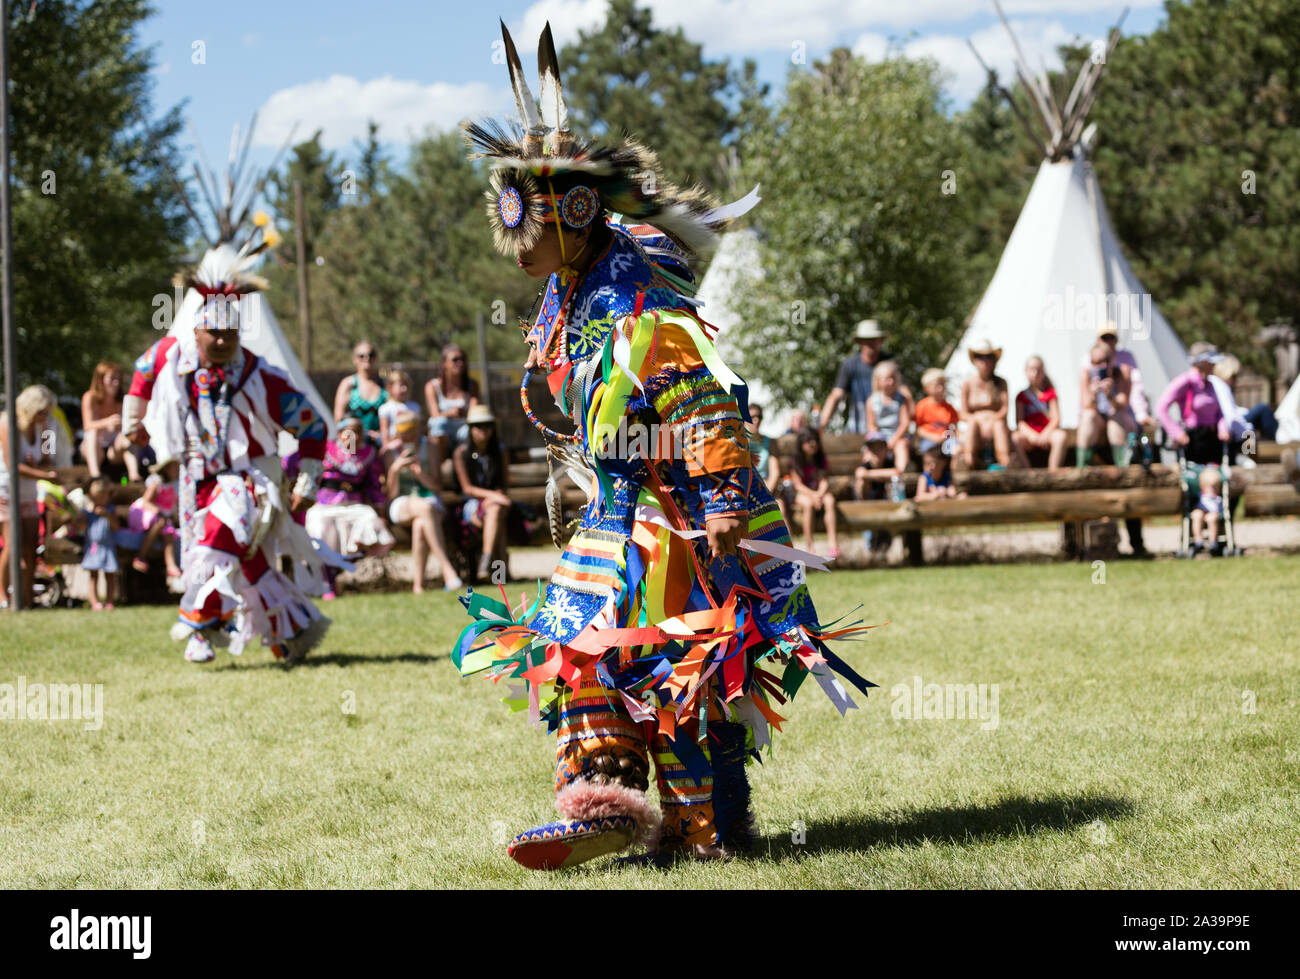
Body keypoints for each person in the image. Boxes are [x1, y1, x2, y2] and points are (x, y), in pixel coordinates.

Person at [453, 21, 874, 871]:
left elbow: (700, 395)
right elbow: (578, 407)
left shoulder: (632, 295)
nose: (514, 231)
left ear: (573, 208)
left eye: (525, 211)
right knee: (575, 647)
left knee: (678, 664)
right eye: (509, 210)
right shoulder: (566, 295)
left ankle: (704, 827)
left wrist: (721, 499)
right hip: (614, 514)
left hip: (673, 516)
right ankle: (601, 797)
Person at [120, 242, 335, 664]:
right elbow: (141, 374)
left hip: (247, 479)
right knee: (243, 559)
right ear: (196, 330)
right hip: (194, 479)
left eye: (229, 334)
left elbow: (313, 425)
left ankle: (200, 627)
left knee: (218, 538)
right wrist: (134, 425)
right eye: (213, 333)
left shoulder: (260, 376)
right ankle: (290, 630)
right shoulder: (172, 357)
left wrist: (308, 480)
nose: (220, 341)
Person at [306, 415, 395, 597]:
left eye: (358, 433)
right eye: (350, 432)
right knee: (321, 525)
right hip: (325, 505)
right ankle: (327, 582)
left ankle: (342, 565)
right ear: (339, 433)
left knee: (370, 521)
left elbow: (374, 487)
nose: (354, 437)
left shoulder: (368, 454)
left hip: (354, 505)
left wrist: (381, 511)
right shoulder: (325, 449)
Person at [386, 410, 462, 593]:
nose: (407, 439)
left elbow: (437, 487)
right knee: (425, 509)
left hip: (429, 497)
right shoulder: (389, 451)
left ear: (418, 430)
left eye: (411, 434)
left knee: (421, 523)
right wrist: (395, 470)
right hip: (402, 502)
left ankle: (418, 586)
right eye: (404, 435)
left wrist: (421, 475)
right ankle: (447, 569)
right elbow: (391, 494)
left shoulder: (431, 446)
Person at [0, 385, 60, 609]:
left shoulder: (45, 427)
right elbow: (12, 465)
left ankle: (26, 598)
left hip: (29, 490)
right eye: (42, 412)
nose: (45, 416)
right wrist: (44, 475)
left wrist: (47, 434)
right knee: (11, 543)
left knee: (30, 545)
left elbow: (48, 460)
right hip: (7, 488)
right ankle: (2, 596)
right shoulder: (8, 424)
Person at [452, 405, 511, 582]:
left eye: (487, 425)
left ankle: (488, 565)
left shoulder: (500, 452)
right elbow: (467, 489)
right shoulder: (461, 453)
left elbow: (503, 484)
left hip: (496, 503)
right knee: (496, 515)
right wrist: (493, 497)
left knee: (495, 511)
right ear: (470, 429)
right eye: (478, 426)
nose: (483, 430)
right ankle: (499, 574)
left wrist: (495, 497)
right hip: (471, 504)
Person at [1156, 343, 1230, 466]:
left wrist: (1223, 429)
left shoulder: (1210, 384)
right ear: (1205, 362)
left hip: (1212, 440)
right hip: (1192, 442)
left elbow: (1219, 412)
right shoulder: (1185, 382)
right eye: (1212, 362)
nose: (1215, 366)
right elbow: (1160, 408)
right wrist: (1177, 433)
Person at [819, 319, 891, 433]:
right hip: (859, 426)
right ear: (860, 342)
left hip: (887, 427)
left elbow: (903, 392)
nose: (870, 344)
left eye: (873, 339)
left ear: (880, 340)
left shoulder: (890, 364)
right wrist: (821, 426)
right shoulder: (850, 365)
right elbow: (836, 395)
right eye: (866, 340)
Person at [1077, 341, 1138, 467]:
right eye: (1096, 362)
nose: (1101, 366)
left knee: (1116, 418)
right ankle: (1082, 469)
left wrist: (1110, 395)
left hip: (1121, 423)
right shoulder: (1086, 375)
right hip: (1098, 425)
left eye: (1104, 361)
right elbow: (1087, 405)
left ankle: (1123, 469)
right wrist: (1094, 394)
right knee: (1088, 416)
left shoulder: (1122, 372)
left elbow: (1123, 405)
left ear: (1112, 360)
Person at [960, 340, 1016, 469]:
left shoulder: (1001, 383)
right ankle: (968, 462)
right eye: (979, 357)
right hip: (976, 428)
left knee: (998, 426)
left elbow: (1005, 409)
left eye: (988, 357)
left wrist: (991, 422)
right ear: (974, 360)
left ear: (994, 360)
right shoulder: (968, 384)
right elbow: (963, 413)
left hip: (996, 426)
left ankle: (1004, 463)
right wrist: (977, 421)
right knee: (973, 424)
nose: (984, 361)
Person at [80, 362, 138, 481]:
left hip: (114, 452)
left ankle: (134, 475)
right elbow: (87, 425)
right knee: (92, 432)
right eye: (112, 378)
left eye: (118, 379)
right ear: (101, 380)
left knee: (128, 436)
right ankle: (95, 475)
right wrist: (106, 423)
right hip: (94, 450)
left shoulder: (122, 400)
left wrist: (121, 425)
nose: (116, 383)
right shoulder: (90, 397)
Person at [788, 427, 839, 559]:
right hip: (802, 495)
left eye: (815, 440)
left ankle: (833, 544)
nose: (813, 443)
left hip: (819, 493)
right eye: (808, 441)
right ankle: (810, 547)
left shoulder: (821, 459)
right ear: (801, 443)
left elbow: (824, 481)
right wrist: (814, 495)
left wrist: (819, 494)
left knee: (830, 500)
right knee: (808, 504)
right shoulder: (795, 461)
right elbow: (798, 485)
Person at [424, 343, 480, 460]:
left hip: (463, 430)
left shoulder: (471, 385)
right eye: (455, 360)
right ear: (444, 364)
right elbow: (434, 416)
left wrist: (464, 414)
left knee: (471, 429)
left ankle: (466, 460)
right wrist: (449, 413)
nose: (460, 363)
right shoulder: (432, 386)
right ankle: (443, 461)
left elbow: (474, 413)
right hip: (443, 434)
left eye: (462, 359)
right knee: (438, 424)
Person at [1013, 356, 1069, 469]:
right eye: (1032, 369)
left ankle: (1053, 470)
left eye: (1038, 370)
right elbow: (1020, 422)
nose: (1035, 373)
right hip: (1029, 435)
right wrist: (1032, 435)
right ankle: (1027, 471)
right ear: (1026, 371)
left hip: (1047, 433)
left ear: (1043, 372)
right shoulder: (1021, 396)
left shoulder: (1050, 393)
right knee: (1015, 438)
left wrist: (1045, 434)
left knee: (1061, 437)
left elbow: (1056, 418)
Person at [128, 464, 181, 579]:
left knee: (169, 531)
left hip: (160, 517)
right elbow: (145, 502)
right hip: (143, 512)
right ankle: (140, 557)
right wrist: (159, 512)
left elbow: (172, 507)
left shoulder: (176, 485)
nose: (177, 469)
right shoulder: (156, 483)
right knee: (161, 522)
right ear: (166, 469)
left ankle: (171, 565)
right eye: (174, 467)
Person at [79, 477, 120, 610]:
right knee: (93, 576)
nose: (101, 500)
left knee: (110, 575)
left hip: (108, 547)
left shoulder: (111, 510)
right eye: (97, 497)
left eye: (103, 496)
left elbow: (116, 527)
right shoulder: (87, 512)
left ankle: (109, 601)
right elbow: (81, 527)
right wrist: (81, 516)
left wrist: (107, 515)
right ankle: (94, 602)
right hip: (93, 548)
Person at [333, 341, 388, 440]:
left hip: (382, 441)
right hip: (355, 442)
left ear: (376, 358)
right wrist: (362, 434)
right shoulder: (348, 384)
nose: (367, 359)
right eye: (361, 356)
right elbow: (339, 419)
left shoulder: (385, 384)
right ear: (355, 359)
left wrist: (380, 435)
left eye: (371, 355)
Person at [865, 361, 911, 475]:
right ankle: (872, 480)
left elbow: (905, 423)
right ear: (878, 381)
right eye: (887, 379)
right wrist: (878, 441)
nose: (891, 382)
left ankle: (899, 476)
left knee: (901, 446)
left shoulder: (901, 399)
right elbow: (871, 425)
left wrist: (892, 441)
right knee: (869, 453)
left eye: (893, 378)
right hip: (879, 438)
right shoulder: (872, 401)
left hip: (897, 437)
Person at [745, 404, 786, 525]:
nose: (756, 420)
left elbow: (775, 473)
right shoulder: (738, 442)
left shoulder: (770, 442)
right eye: (752, 416)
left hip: (767, 488)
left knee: (780, 508)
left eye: (759, 416)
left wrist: (764, 495)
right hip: (746, 490)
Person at [377, 368, 422, 455]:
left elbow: (419, 429)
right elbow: (385, 430)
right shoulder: (385, 408)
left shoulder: (415, 407)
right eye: (401, 385)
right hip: (394, 445)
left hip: (413, 443)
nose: (405, 388)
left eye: (407, 385)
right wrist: (386, 447)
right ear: (390, 388)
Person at [914, 368, 959, 454]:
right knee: (929, 452)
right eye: (938, 385)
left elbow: (954, 428)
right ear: (926, 388)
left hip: (946, 440)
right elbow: (918, 429)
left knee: (956, 449)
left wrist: (947, 436)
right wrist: (934, 437)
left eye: (943, 384)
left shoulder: (949, 408)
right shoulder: (922, 406)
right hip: (928, 440)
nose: (941, 388)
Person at [1190, 467, 1224, 548]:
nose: (1213, 490)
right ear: (1202, 486)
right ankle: (1198, 539)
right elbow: (1194, 505)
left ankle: (1213, 541)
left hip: (1213, 513)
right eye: (1210, 487)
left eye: (1216, 487)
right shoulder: (1200, 496)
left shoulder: (1218, 498)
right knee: (1196, 515)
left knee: (1212, 518)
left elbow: (1220, 509)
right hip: (1201, 511)